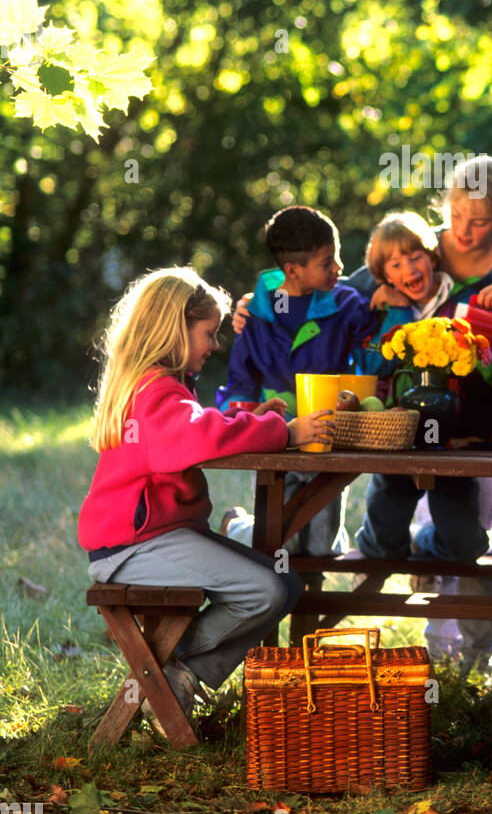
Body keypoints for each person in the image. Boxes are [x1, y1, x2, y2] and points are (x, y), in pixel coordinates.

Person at [352, 159, 492, 671]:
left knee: (469, 530)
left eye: (478, 222)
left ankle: (470, 658)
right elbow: (345, 291)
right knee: (397, 511)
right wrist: (372, 294)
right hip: (407, 421)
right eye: (456, 214)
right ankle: (445, 648)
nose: (462, 229)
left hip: (485, 419)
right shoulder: (419, 245)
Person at [78, 268, 332, 733]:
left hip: (157, 538)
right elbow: (189, 438)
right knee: (269, 589)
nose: (215, 344)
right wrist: (285, 431)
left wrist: (243, 417)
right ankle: (172, 672)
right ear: (174, 330)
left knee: (286, 584)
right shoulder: (154, 389)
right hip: (135, 548)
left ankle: (172, 675)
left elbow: (196, 424)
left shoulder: (160, 387)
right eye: (208, 333)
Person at [216, 205, 380, 553]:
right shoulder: (258, 315)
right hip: (277, 438)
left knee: (324, 549)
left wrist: (390, 308)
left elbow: (372, 358)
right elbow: (240, 381)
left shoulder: (348, 304)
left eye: (337, 257)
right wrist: (239, 419)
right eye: (327, 262)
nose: (339, 268)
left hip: (328, 434)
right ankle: (237, 526)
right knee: (279, 544)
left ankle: (307, 587)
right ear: (292, 269)